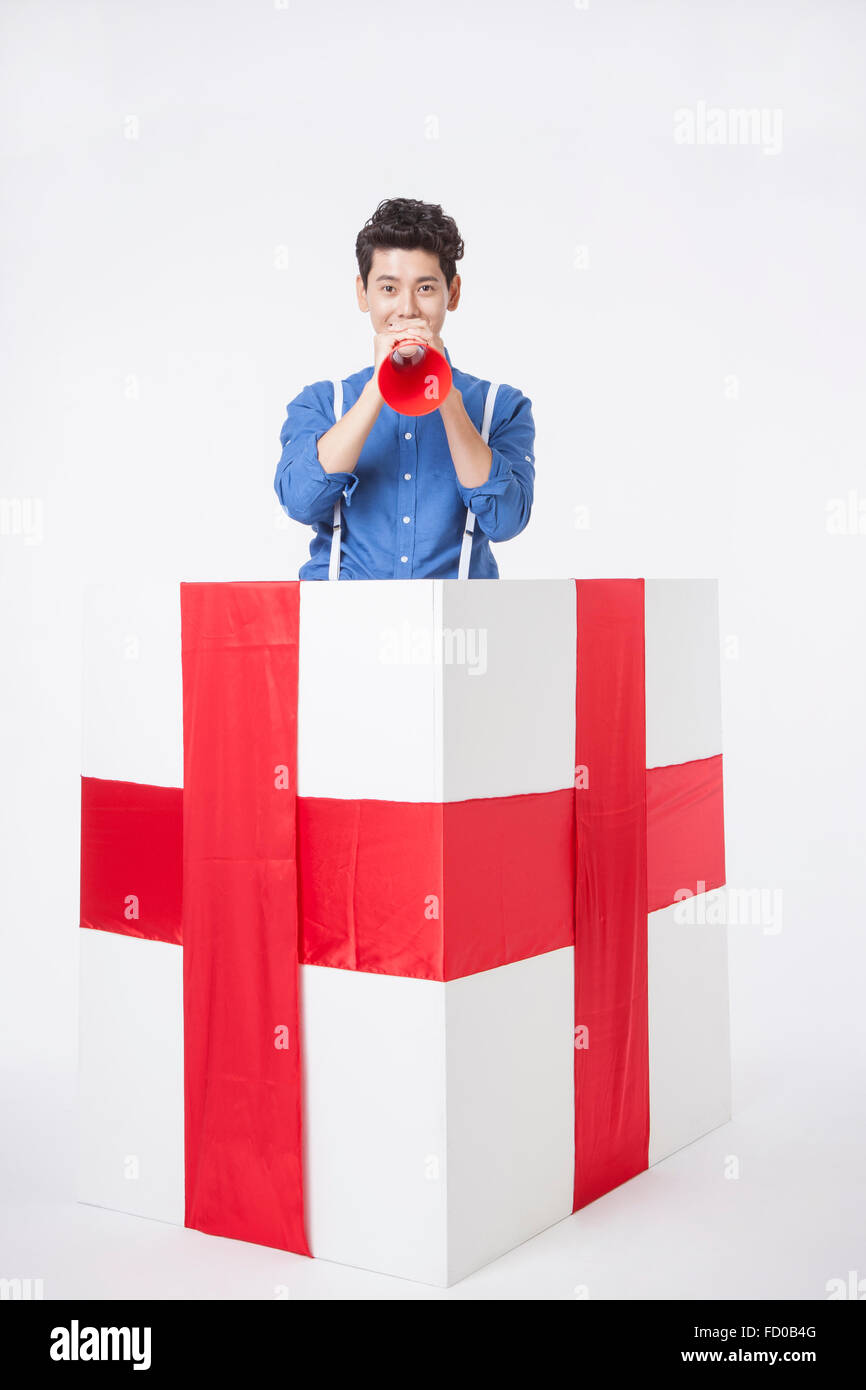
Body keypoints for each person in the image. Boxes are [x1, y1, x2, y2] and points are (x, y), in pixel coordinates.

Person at [274, 197, 535, 579]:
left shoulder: (502, 405)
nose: (408, 309)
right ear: (363, 293)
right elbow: (300, 501)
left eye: (426, 288)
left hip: (457, 623)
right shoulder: (322, 402)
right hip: (339, 622)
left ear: (454, 293)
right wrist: (379, 388)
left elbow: (506, 521)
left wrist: (445, 395)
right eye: (389, 288)